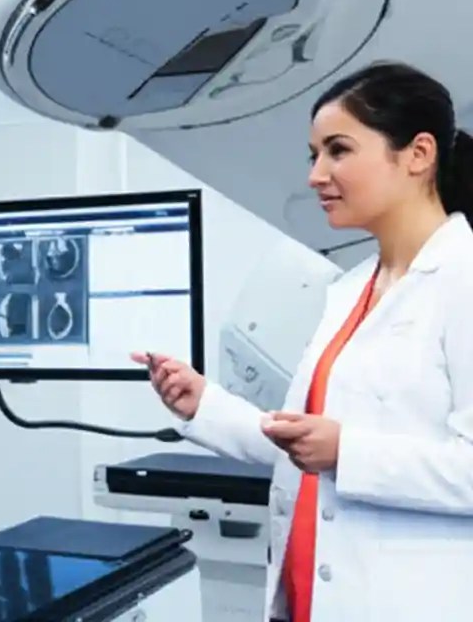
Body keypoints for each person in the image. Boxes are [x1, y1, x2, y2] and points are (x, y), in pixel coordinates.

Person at [134, 61, 473, 622]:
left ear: (418, 154)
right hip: (309, 597)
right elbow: (305, 447)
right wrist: (206, 406)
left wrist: (348, 452)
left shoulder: (463, 279)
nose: (317, 174)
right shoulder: (350, 289)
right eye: (313, 155)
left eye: (338, 150)